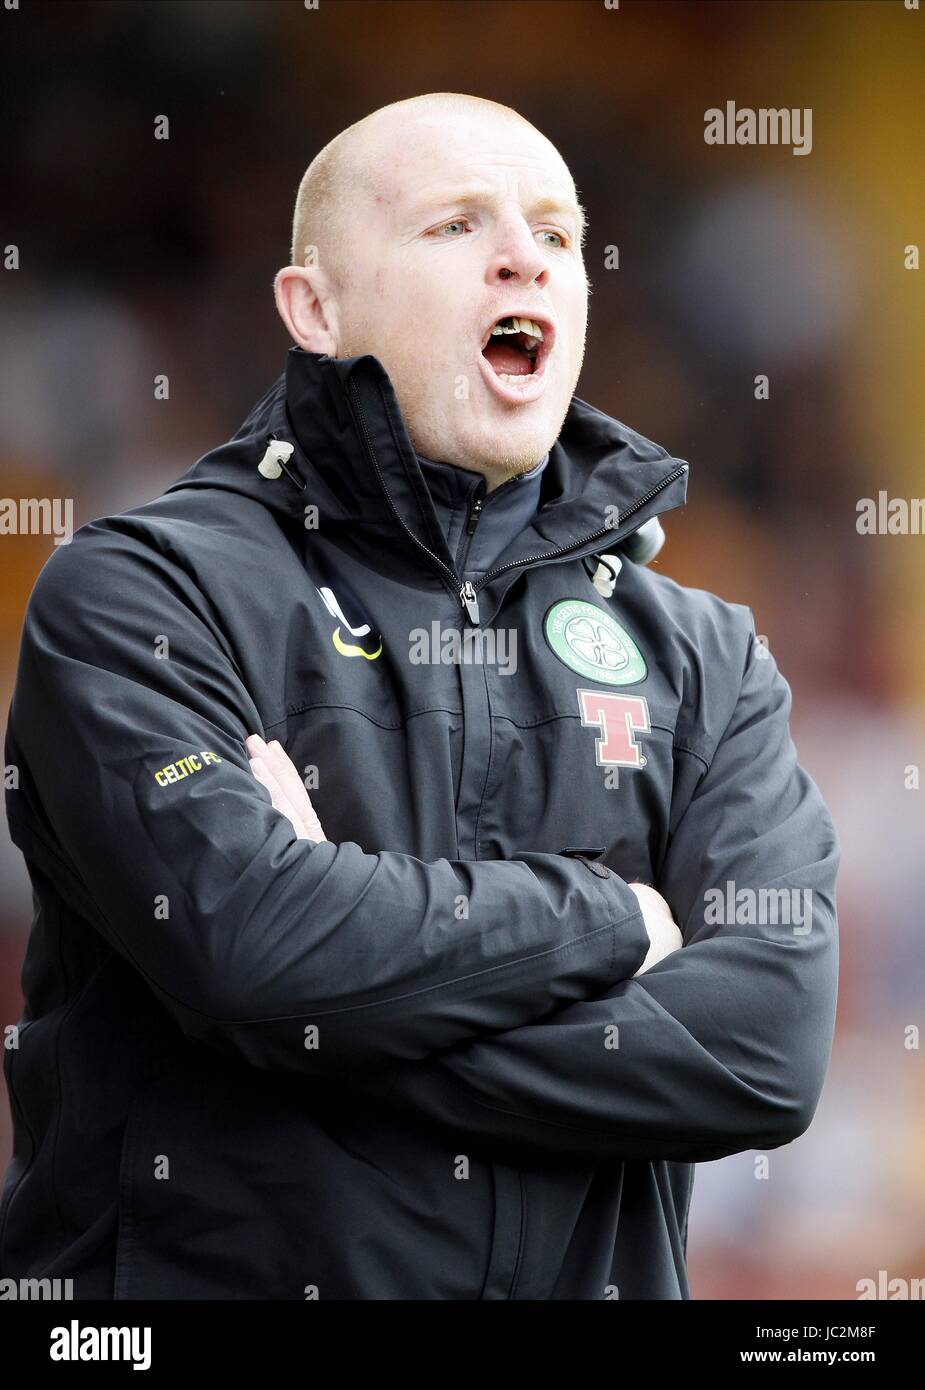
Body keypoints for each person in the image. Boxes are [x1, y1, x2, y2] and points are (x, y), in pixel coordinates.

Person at [1, 92, 838, 1300]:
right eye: (455, 225)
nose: (523, 255)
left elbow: (764, 1055)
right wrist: (609, 921)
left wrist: (325, 1011)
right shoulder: (141, 593)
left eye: (555, 232)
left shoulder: (707, 655)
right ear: (314, 308)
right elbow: (250, 948)